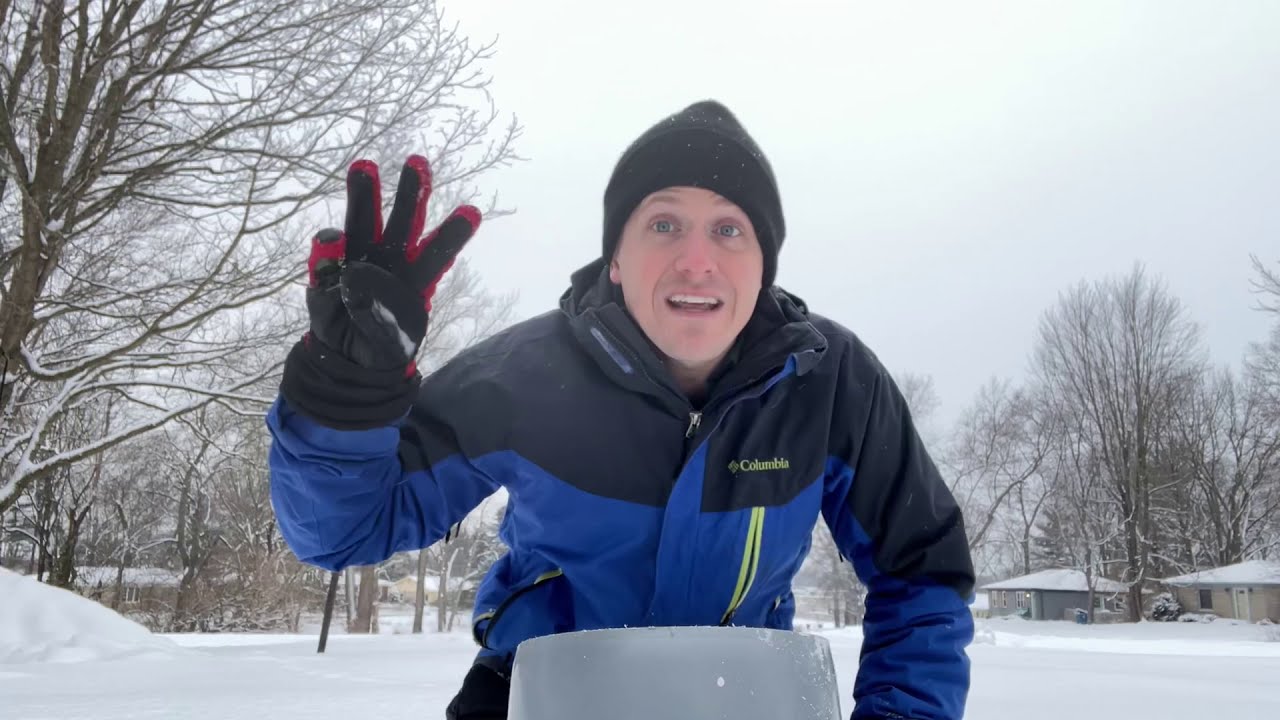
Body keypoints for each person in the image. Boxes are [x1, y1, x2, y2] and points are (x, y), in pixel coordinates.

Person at [267, 100, 976, 720]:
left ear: (765, 266)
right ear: (614, 258)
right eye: (664, 223)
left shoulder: (831, 381)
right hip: (537, 696)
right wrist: (347, 393)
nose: (697, 261)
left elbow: (922, 573)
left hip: (746, 699)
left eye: (729, 230)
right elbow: (343, 531)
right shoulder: (520, 377)